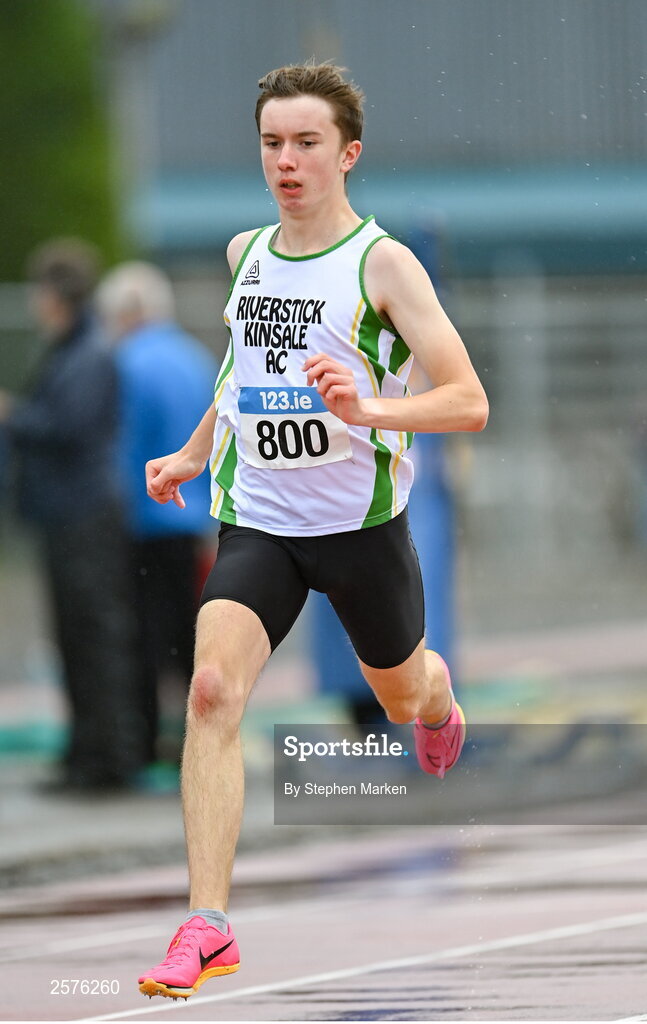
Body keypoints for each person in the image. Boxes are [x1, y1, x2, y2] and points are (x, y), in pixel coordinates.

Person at [137, 62, 488, 1001]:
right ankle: (206, 925)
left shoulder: (382, 265)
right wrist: (189, 451)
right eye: (271, 144)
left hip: (359, 528)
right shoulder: (244, 251)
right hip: (257, 518)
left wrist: (368, 407)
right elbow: (240, 372)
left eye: (305, 145)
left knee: (401, 693)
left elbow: (467, 401)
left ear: (347, 154)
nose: (285, 163)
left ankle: (437, 696)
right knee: (211, 690)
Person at [0, 239, 145, 791]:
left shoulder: (87, 355)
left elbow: (68, 428)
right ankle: (87, 754)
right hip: (71, 513)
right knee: (76, 639)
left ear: (56, 294)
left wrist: (14, 415)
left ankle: (109, 759)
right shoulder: (75, 350)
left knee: (95, 637)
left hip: (84, 514)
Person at [96, 262, 218, 768]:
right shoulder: (197, 358)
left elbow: (119, 449)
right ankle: (200, 741)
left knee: (143, 640)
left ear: (127, 313)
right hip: (194, 521)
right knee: (190, 637)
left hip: (144, 521)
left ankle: (146, 748)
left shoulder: (124, 363)